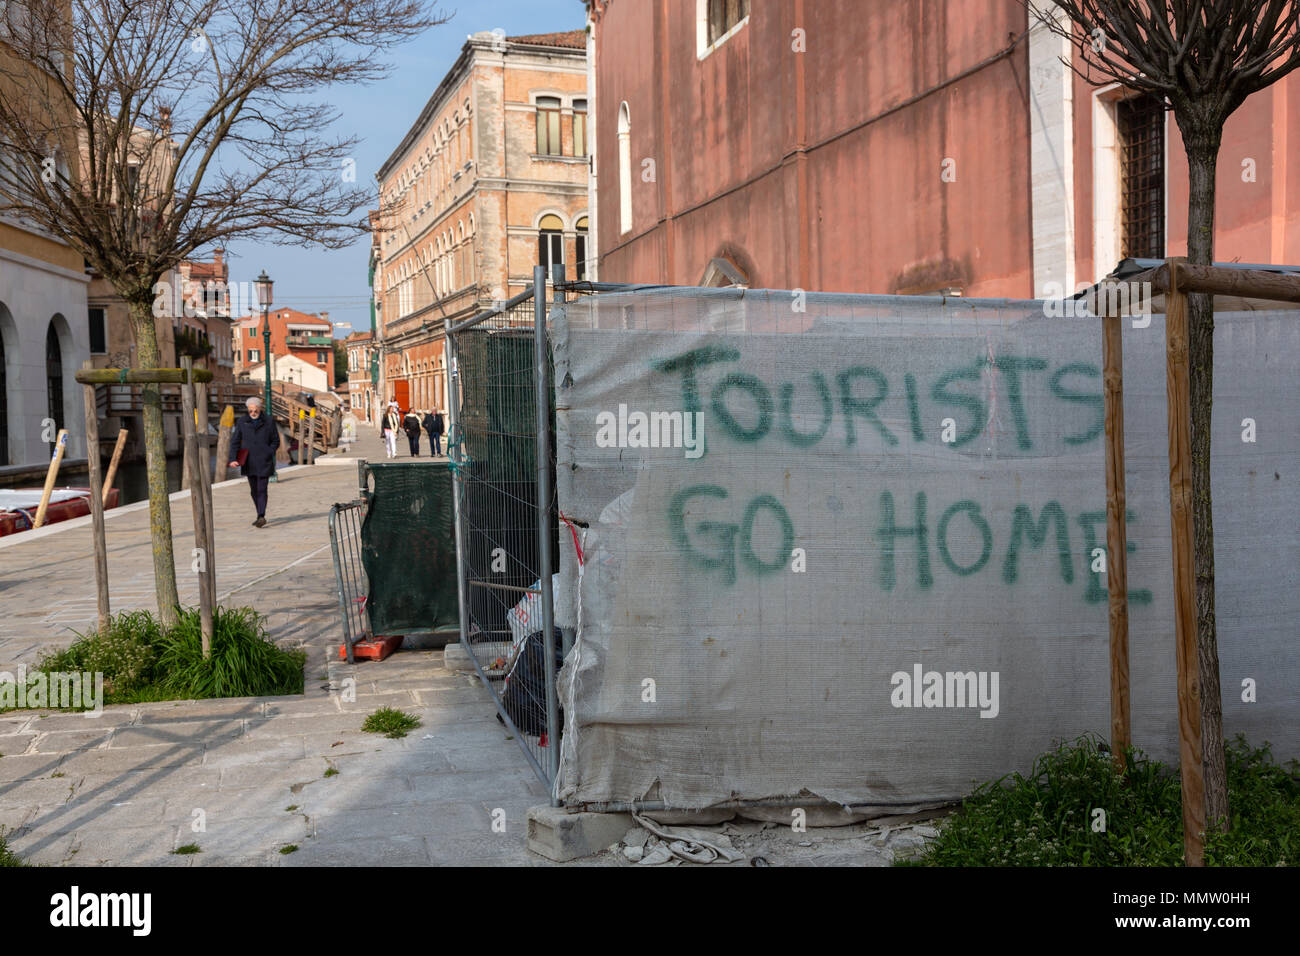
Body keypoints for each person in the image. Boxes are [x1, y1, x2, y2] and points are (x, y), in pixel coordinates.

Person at [228, 396, 280, 528]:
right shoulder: (242, 422)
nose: (253, 413)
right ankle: (259, 514)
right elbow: (235, 441)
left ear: (260, 408)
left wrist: (269, 451)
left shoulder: (269, 421)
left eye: (255, 410)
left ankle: (261, 515)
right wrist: (233, 459)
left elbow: (276, 440)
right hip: (248, 461)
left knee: (262, 489)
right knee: (254, 490)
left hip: (264, 460)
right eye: (250, 411)